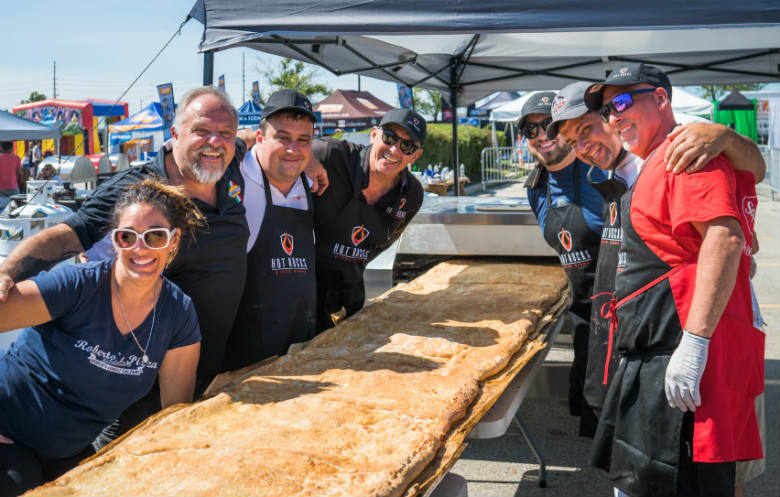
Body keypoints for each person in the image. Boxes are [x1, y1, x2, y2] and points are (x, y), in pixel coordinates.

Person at [0, 87, 249, 442]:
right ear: (174, 135)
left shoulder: (228, 163)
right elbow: (69, 233)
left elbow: (249, 138)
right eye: (201, 131)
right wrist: (7, 272)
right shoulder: (139, 188)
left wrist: (309, 157)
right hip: (138, 382)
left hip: (213, 372)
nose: (215, 141)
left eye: (224, 133)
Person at [546, 81, 767, 445]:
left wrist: (727, 137)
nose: (584, 146)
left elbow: (729, 224)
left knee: (716, 463)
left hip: (705, 337)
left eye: (588, 128)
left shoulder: (678, 151)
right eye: (573, 142)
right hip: (645, 345)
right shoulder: (611, 175)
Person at [0, 179, 202, 497]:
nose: (141, 247)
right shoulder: (78, 286)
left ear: (173, 241)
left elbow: (175, 413)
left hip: (67, 453)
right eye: (127, 236)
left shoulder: (178, 314)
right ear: (114, 239)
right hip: (9, 433)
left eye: (155, 236)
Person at [520, 91, 607, 437]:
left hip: (623, 312)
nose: (542, 135)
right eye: (531, 130)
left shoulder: (600, 172)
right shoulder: (535, 187)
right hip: (583, 313)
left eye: (548, 126)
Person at [222, 90, 319, 371]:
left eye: (303, 140)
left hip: (304, 355)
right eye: (283, 138)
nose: (293, 149)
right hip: (244, 363)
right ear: (260, 138)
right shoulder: (233, 177)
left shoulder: (312, 184)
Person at [311, 108, 425, 330]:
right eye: (389, 137)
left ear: (415, 155)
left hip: (350, 297)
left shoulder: (411, 196)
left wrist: (351, 260)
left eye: (407, 145)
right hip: (304, 292)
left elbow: (383, 242)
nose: (394, 149)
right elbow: (270, 143)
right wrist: (306, 156)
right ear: (374, 135)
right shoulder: (328, 155)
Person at [0, 141, 22, 208]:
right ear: (12, 148)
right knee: (16, 207)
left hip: (0, 187)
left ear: (2, 148)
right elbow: (20, 172)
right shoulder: (17, 158)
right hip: (13, 186)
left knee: (1, 208)